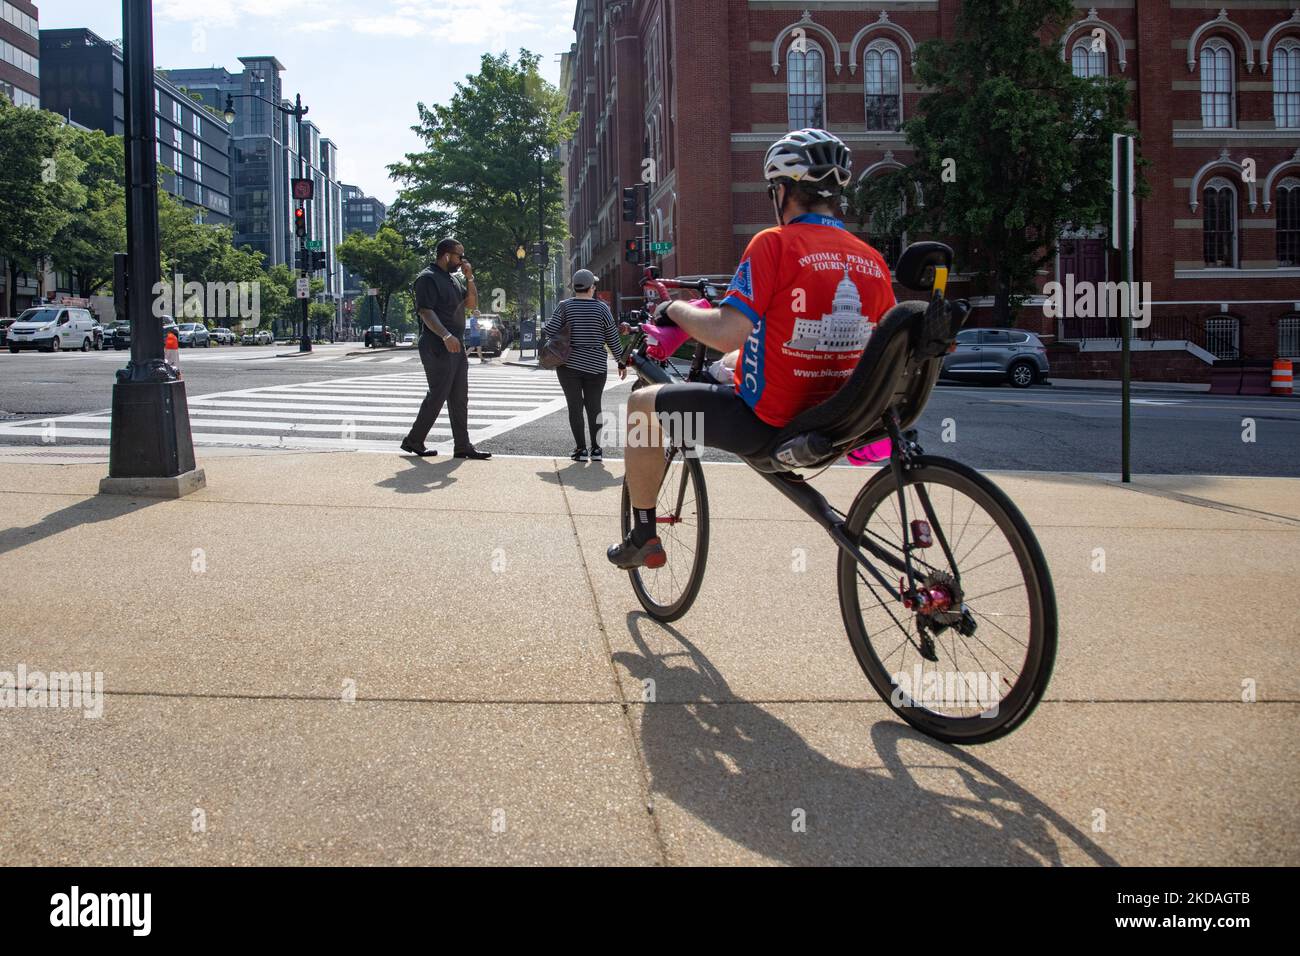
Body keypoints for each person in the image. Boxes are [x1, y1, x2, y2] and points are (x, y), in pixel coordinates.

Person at [607, 128, 896, 568]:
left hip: (770, 424)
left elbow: (726, 331)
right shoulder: (871, 260)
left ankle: (644, 533)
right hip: (840, 417)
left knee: (642, 405)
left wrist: (676, 309)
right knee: (731, 362)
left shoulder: (773, 243)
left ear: (782, 191)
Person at [399, 237, 492, 460]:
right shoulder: (427, 278)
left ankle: (462, 445)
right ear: (446, 255)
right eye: (460, 256)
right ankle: (413, 440)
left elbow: (471, 305)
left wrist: (469, 277)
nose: (462, 261)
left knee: (460, 397)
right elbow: (425, 311)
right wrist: (446, 335)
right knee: (438, 394)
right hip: (437, 345)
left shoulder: (454, 280)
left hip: (456, 345)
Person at [545, 269, 623, 462]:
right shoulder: (602, 308)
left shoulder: (564, 307)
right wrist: (621, 361)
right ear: (592, 288)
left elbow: (550, 332)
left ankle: (580, 450)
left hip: (568, 364)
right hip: (596, 365)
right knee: (594, 406)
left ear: (574, 288)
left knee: (575, 407)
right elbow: (612, 338)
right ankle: (596, 450)